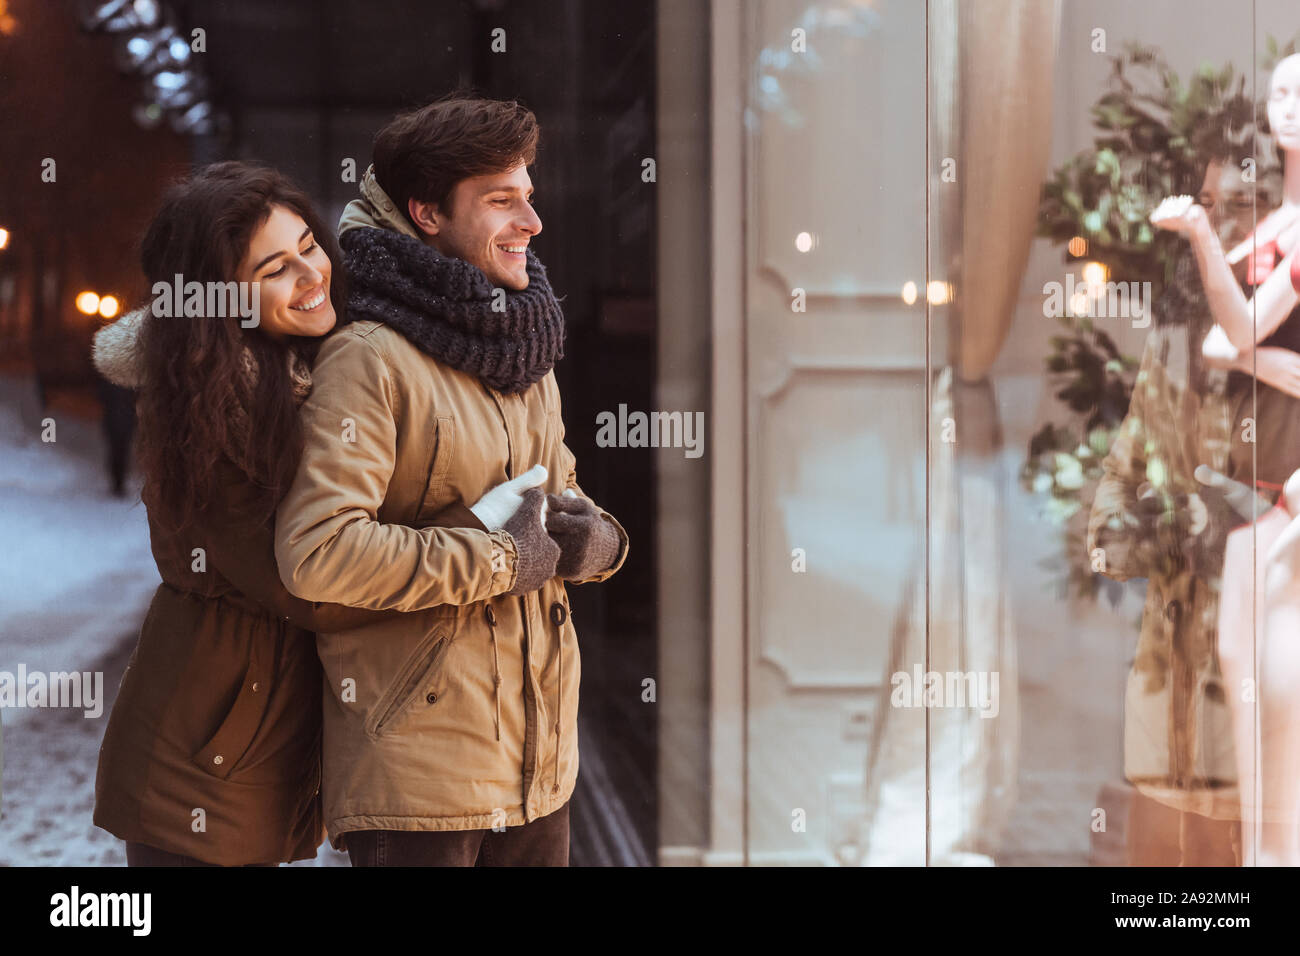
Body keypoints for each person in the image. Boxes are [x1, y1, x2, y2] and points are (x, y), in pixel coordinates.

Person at [274, 93, 630, 867]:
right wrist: (501, 560)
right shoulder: (368, 356)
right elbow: (317, 554)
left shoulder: (524, 345)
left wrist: (594, 538)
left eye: (528, 198)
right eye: (502, 202)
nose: (530, 224)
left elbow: (563, 491)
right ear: (427, 212)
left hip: (541, 773)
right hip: (419, 783)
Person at [92, 162, 395, 866]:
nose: (311, 275)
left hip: (246, 745)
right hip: (202, 764)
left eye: (309, 248)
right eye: (273, 270)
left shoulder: (306, 369)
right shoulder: (208, 409)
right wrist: (474, 554)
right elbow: (312, 586)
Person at [1147, 52, 1300, 865]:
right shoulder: (1277, 226)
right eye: (1280, 92)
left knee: (1281, 676)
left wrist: (1203, 233)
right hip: (1256, 474)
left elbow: (1235, 331)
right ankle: (1265, 861)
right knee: (1245, 660)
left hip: (1291, 479)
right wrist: (1269, 365)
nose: (1290, 107)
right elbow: (1223, 339)